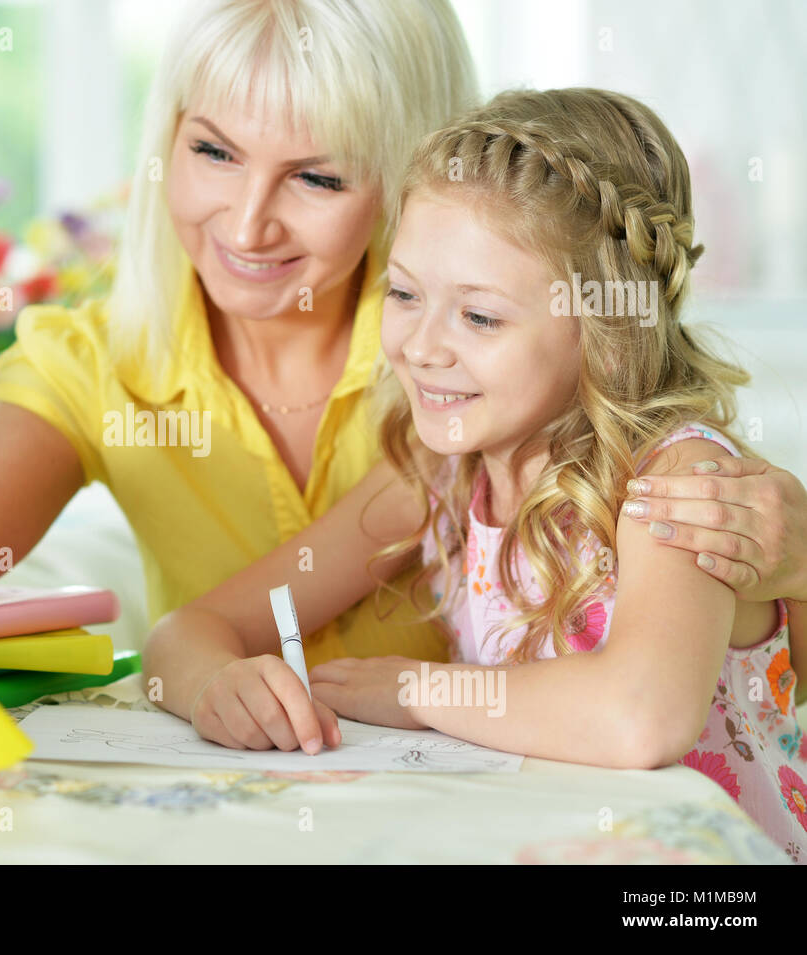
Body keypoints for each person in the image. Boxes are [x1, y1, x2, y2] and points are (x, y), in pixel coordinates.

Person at [0, 2, 805, 759]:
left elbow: (649, 700)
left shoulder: (469, 388)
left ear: (413, 184)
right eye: (211, 148)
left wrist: (792, 547)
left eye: (317, 173)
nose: (247, 224)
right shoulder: (415, 431)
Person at [144, 86, 807, 861]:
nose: (422, 346)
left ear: (607, 330)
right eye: (404, 293)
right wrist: (215, 686)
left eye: (480, 316)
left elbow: (640, 713)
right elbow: (185, 632)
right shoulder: (439, 477)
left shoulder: (676, 481)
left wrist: (416, 691)